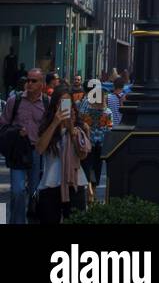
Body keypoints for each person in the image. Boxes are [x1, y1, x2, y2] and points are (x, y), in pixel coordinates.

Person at [35, 85, 91, 225]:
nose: (63, 106)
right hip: (50, 184)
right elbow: (40, 149)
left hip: (75, 184)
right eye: (60, 102)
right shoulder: (47, 124)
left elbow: (82, 155)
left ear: (72, 105)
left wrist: (71, 129)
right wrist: (55, 123)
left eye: (66, 102)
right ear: (54, 105)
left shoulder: (80, 127)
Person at [1, 67, 46, 224]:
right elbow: (3, 125)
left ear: (42, 83)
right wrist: (16, 132)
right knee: (18, 191)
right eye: (28, 80)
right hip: (18, 152)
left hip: (37, 152)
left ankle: (32, 219)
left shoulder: (46, 103)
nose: (29, 83)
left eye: (34, 81)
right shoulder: (15, 100)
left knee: (35, 192)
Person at [77, 85, 114, 202]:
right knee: (97, 168)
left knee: (87, 167)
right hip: (101, 144)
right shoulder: (107, 112)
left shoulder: (85, 111)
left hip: (88, 143)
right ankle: (93, 189)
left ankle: (89, 190)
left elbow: (80, 124)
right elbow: (109, 129)